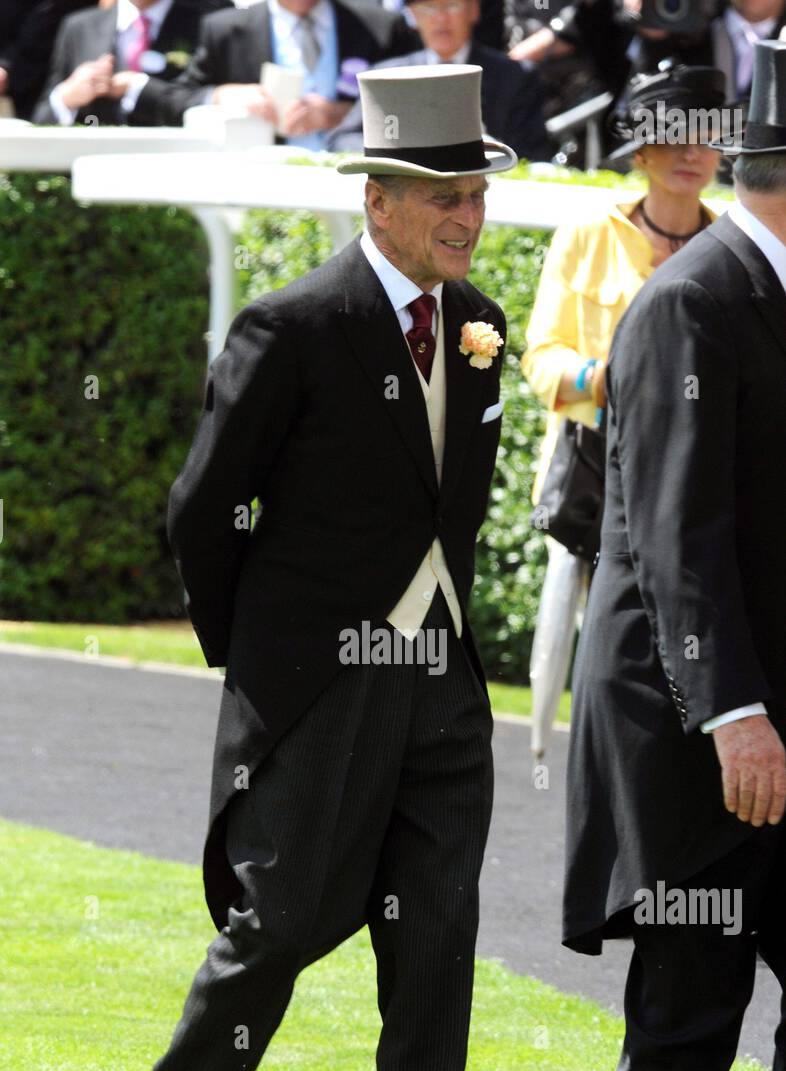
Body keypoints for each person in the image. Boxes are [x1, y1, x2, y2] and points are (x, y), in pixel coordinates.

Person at [104, 62, 514, 1071]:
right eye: (442, 192)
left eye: (475, 193)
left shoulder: (477, 328)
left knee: (437, 948)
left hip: (441, 679)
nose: (466, 215)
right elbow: (201, 512)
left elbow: (452, 510)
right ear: (376, 200)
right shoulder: (291, 325)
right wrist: (262, 665)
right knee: (272, 930)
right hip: (322, 684)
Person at [563, 37, 786, 1071]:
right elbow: (673, 540)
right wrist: (740, 716)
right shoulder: (689, 302)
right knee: (687, 1032)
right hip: (702, 751)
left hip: (764, 732)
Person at [520, 64, 724, 758]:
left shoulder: (731, 244)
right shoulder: (586, 235)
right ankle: (567, 761)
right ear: (641, 153)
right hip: (594, 480)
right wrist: (608, 378)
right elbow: (539, 357)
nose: (693, 152)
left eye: (706, 137)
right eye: (675, 138)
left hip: (698, 481)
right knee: (582, 653)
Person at [123, 0, 417, 136]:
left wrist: (341, 114)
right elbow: (174, 100)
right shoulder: (226, 29)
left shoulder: (380, 27)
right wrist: (220, 95)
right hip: (257, 189)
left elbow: (412, 109)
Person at [325, 0, 552, 162]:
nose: (441, 18)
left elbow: (533, 155)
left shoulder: (515, 76)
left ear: (474, 10)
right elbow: (342, 140)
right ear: (412, 16)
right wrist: (396, 153)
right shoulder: (387, 74)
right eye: (429, 7)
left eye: (452, 5)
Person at [32, 0, 231, 126]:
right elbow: (41, 117)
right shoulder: (79, 27)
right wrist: (67, 97)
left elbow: (220, 100)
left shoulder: (212, 22)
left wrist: (138, 87)